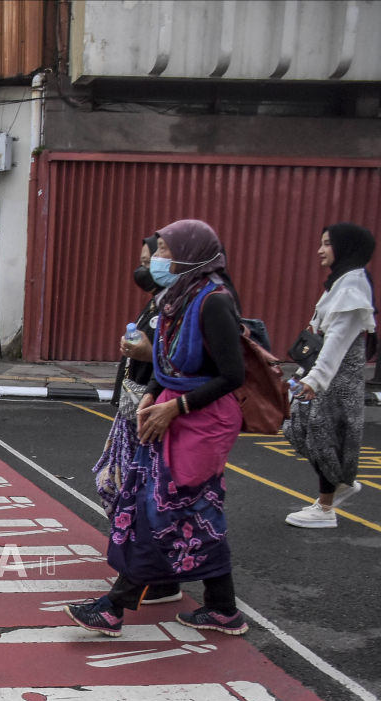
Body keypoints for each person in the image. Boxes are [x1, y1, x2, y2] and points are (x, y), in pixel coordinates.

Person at [65, 219, 249, 637]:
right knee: (193, 515)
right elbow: (168, 364)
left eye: (165, 251)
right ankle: (222, 607)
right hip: (168, 412)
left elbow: (232, 375)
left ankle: (114, 607)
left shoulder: (213, 301)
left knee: (160, 511)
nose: (158, 259)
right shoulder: (176, 299)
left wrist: (177, 405)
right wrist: (152, 393)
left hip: (202, 422)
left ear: (190, 255)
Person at [90, 235, 180, 606]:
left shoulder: (191, 304)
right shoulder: (159, 301)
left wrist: (148, 352)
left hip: (159, 413)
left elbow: (187, 363)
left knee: (144, 497)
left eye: (158, 255)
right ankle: (147, 569)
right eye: (147, 258)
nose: (148, 265)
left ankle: (149, 580)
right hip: (136, 408)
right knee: (118, 485)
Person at [283, 223, 376, 528]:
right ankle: (340, 484)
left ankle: (325, 508)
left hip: (335, 376)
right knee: (299, 426)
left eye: (327, 244)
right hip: (324, 371)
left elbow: (337, 338)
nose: (320, 250)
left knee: (324, 434)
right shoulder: (342, 281)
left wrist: (314, 380)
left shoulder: (352, 285)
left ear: (345, 246)